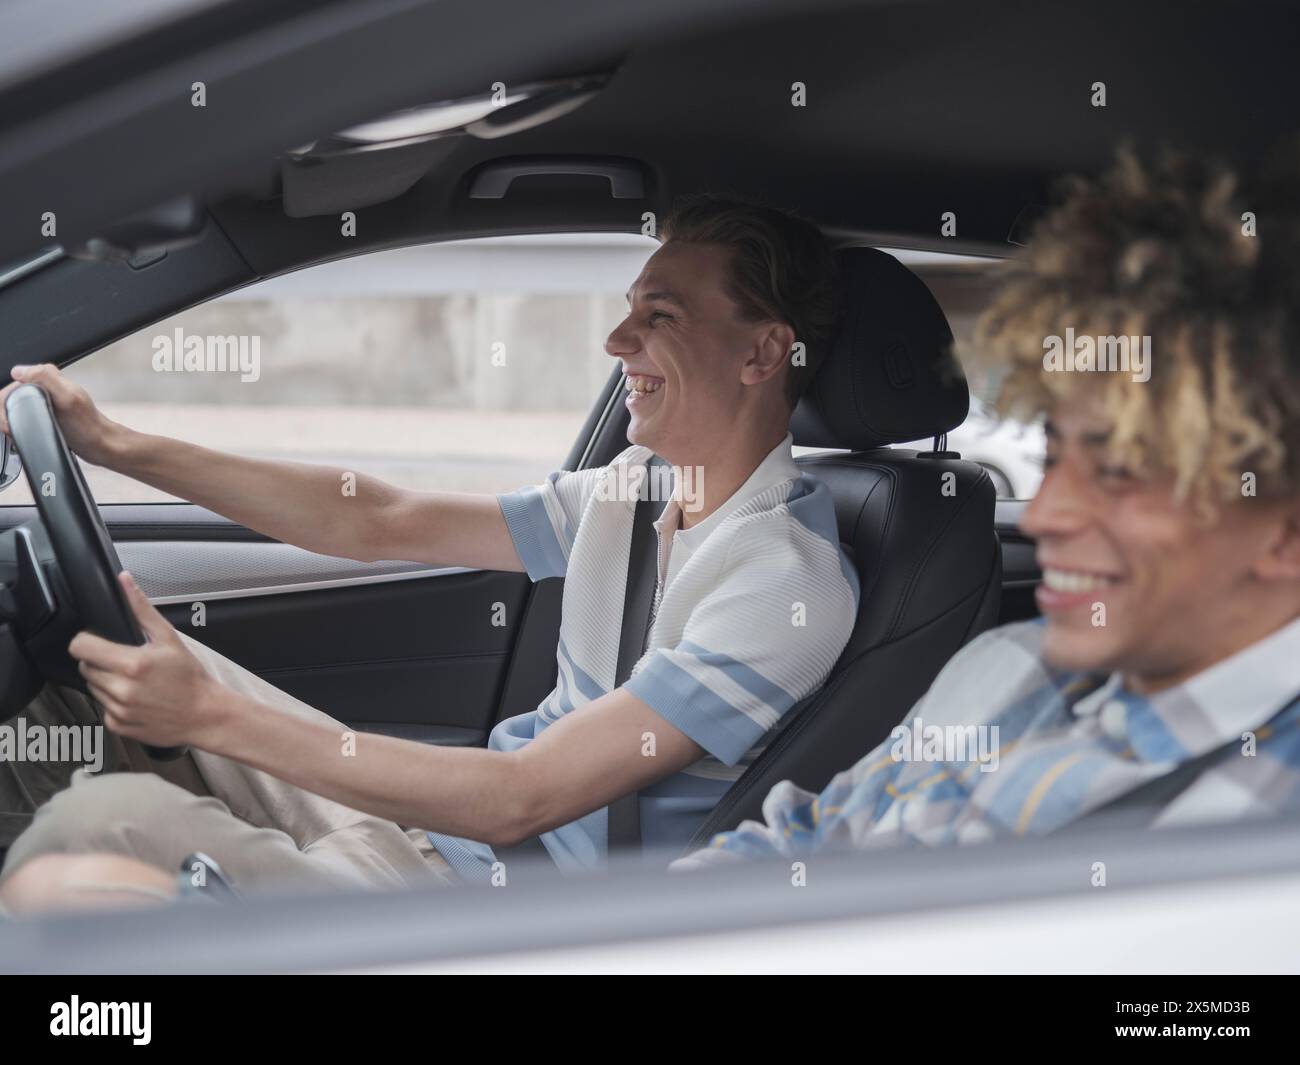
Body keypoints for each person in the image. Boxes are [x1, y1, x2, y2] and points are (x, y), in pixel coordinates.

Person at [0, 195, 859, 909]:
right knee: (77, 669)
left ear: (763, 352)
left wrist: (208, 717)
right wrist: (111, 442)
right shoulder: (635, 487)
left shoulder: (783, 581)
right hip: (441, 833)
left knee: (93, 833)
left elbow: (526, 795)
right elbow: (375, 517)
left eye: (658, 315)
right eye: (630, 308)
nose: (617, 341)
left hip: (483, 901)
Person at [676, 146, 1300, 870]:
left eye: (1122, 470)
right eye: (1055, 456)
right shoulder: (1009, 665)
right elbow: (803, 841)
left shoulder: (1262, 828)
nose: (1042, 516)